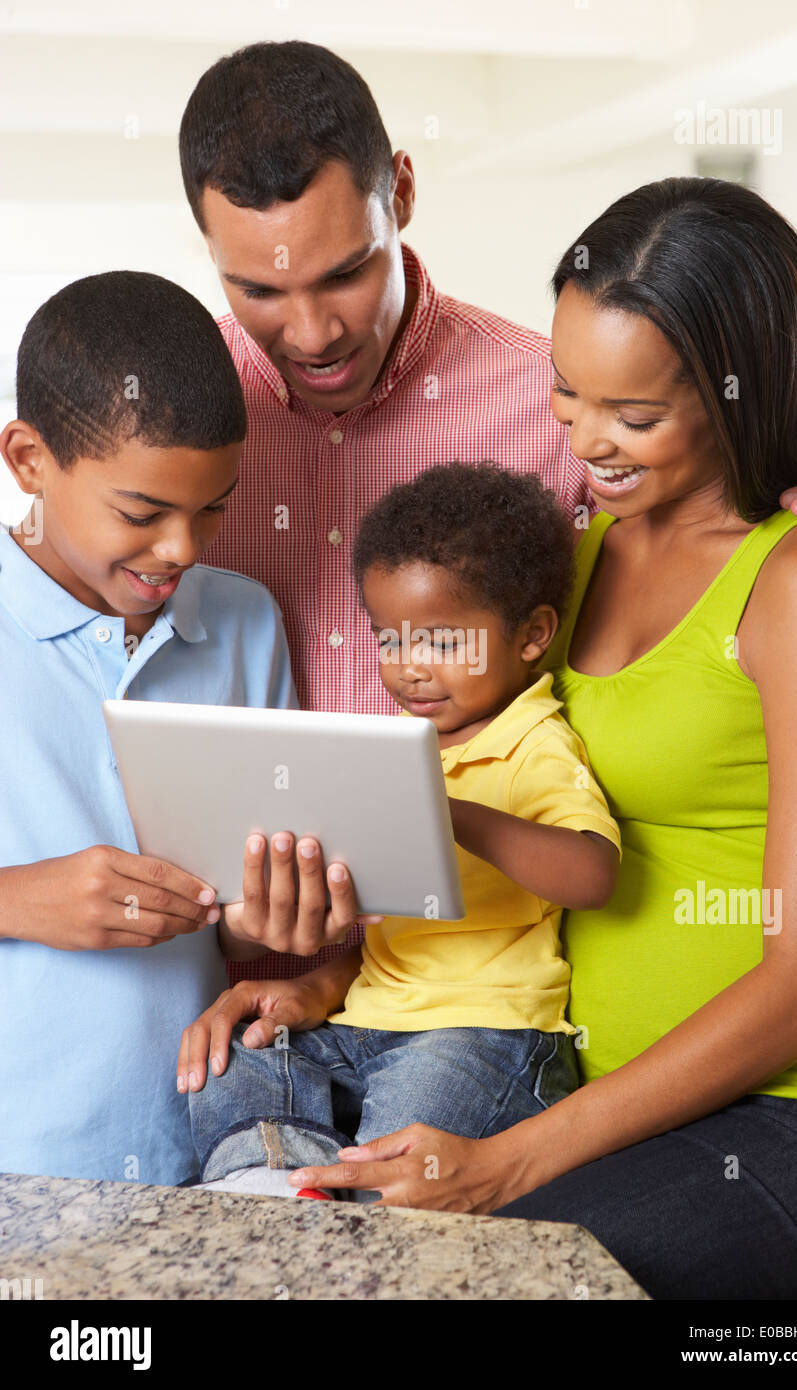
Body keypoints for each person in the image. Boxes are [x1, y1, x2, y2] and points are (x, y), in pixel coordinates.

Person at [185, 179, 797, 1301]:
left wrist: (510, 1162)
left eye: (633, 416)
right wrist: (322, 984)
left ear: (741, 393)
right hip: (559, 1078)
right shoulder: (571, 555)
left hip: (778, 1112)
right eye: (564, 393)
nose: (588, 441)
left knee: (466, 1279)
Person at [177, 39, 589, 983]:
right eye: (258, 292)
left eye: (345, 273)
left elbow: (708, 544)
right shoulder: (180, 413)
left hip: (476, 987)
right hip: (235, 989)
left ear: (400, 191)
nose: (313, 335)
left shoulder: (553, 399)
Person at [0, 271, 365, 1185]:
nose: (183, 549)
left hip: (201, 1153)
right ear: (27, 460)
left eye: (213, 506)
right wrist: (15, 899)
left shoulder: (243, 621)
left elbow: (249, 920)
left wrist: (279, 914)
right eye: (141, 512)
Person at [181, 463, 621, 1197]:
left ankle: (352, 1214)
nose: (410, 670)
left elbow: (594, 873)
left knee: (405, 1146)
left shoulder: (533, 740)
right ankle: (274, 1187)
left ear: (532, 635)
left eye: (444, 644)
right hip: (368, 1019)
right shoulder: (399, 746)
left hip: (486, 1033)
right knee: (247, 1059)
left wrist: (452, 813)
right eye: (389, 641)